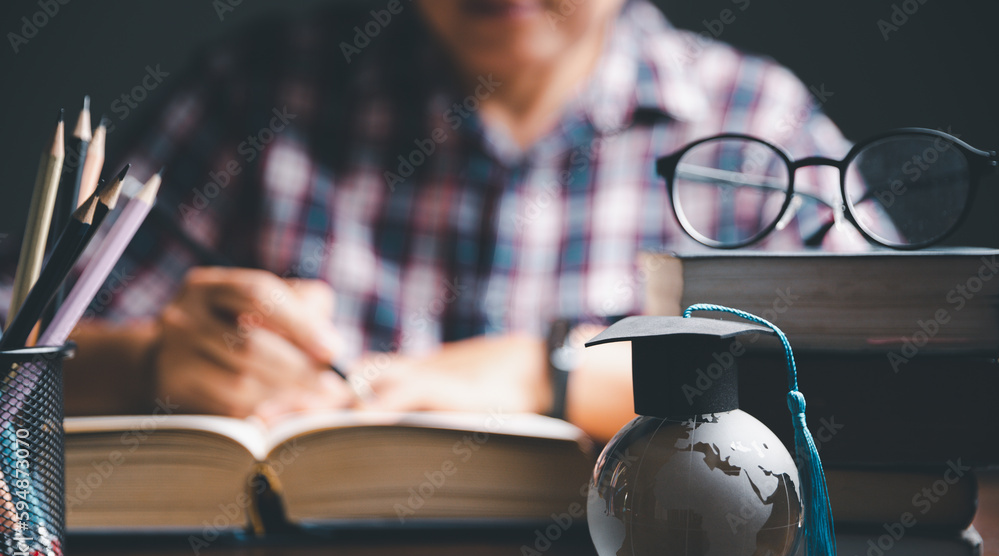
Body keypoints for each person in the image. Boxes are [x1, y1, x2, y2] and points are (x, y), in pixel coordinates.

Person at [49, 0, 861, 442]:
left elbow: (914, 385)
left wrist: (561, 376)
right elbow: (25, 352)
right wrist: (156, 363)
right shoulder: (253, 94)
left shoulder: (757, 128)